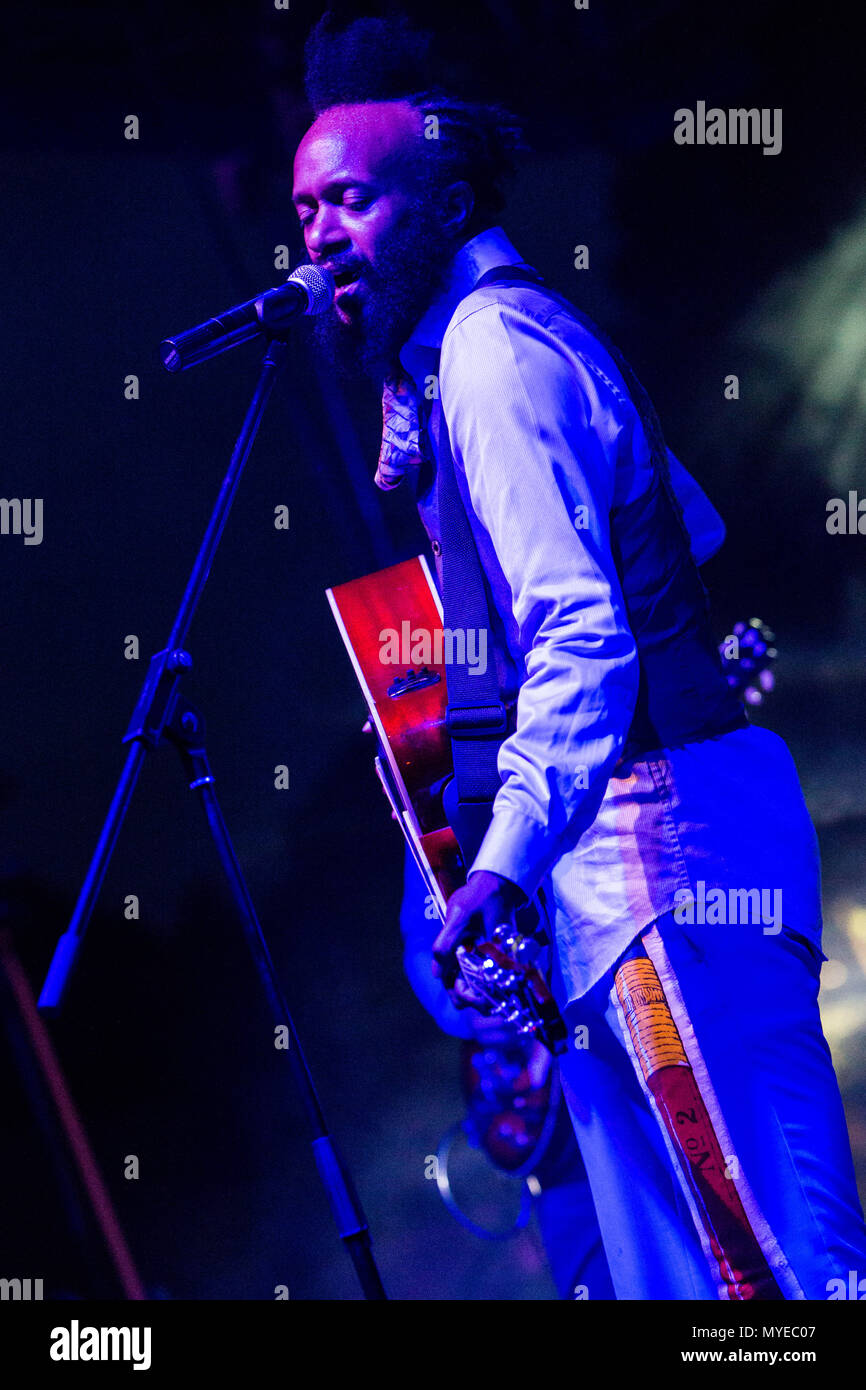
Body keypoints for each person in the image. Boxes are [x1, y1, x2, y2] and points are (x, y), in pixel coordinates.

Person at [294, 14, 866, 1298]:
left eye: (350, 199)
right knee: (703, 1285)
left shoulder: (494, 351)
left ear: (441, 205)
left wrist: (496, 860)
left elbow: (580, 630)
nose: (318, 230)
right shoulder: (484, 353)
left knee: (766, 1275)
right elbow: (680, 525)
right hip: (627, 880)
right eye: (304, 206)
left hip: (657, 871)